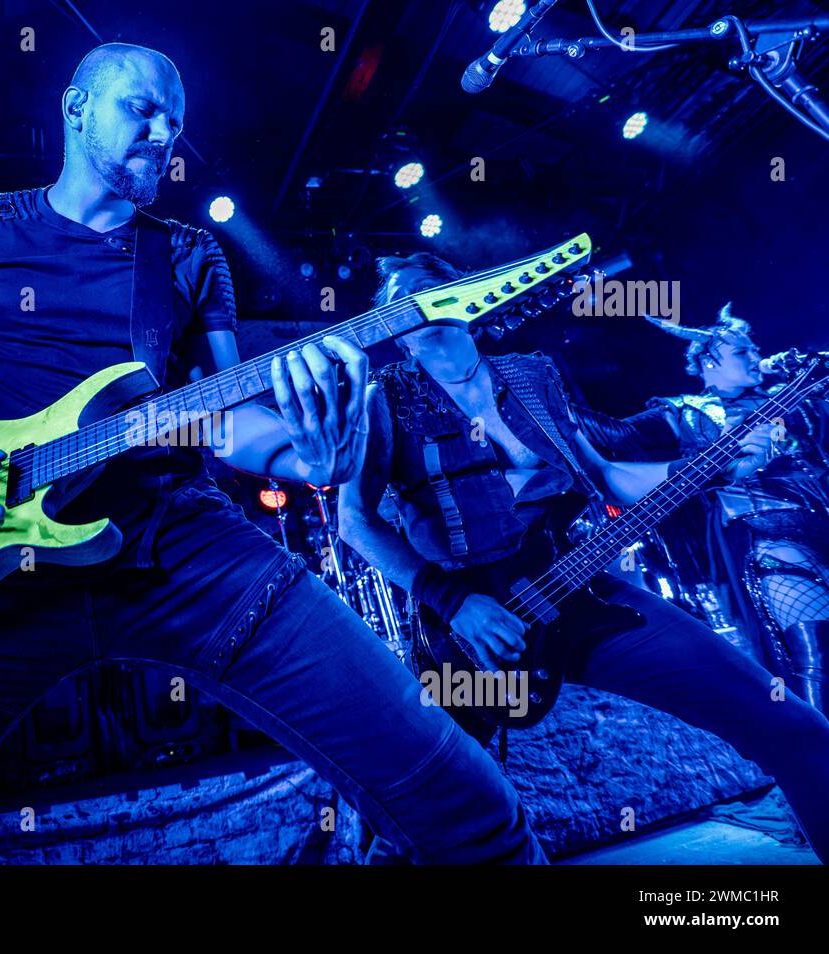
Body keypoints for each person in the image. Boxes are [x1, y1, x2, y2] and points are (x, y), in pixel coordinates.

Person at [0, 45, 545, 864]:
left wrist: (310, 456)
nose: (164, 131)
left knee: (466, 802)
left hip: (179, 544)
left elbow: (225, 418)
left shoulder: (188, 253)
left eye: (175, 122)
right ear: (75, 105)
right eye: (142, 107)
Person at [338, 253, 829, 861]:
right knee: (417, 813)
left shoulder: (531, 375)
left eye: (425, 291)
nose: (412, 306)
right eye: (396, 303)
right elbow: (354, 523)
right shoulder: (382, 398)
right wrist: (454, 601)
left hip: (582, 590)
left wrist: (706, 466)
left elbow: (606, 476)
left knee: (795, 728)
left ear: (467, 296)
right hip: (471, 629)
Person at [640, 306, 829, 714]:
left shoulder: (799, 397)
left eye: (754, 347)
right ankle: (818, 756)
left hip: (822, 519)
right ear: (709, 362)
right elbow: (613, 435)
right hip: (771, 535)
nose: (755, 355)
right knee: (815, 655)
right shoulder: (683, 410)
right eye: (742, 351)